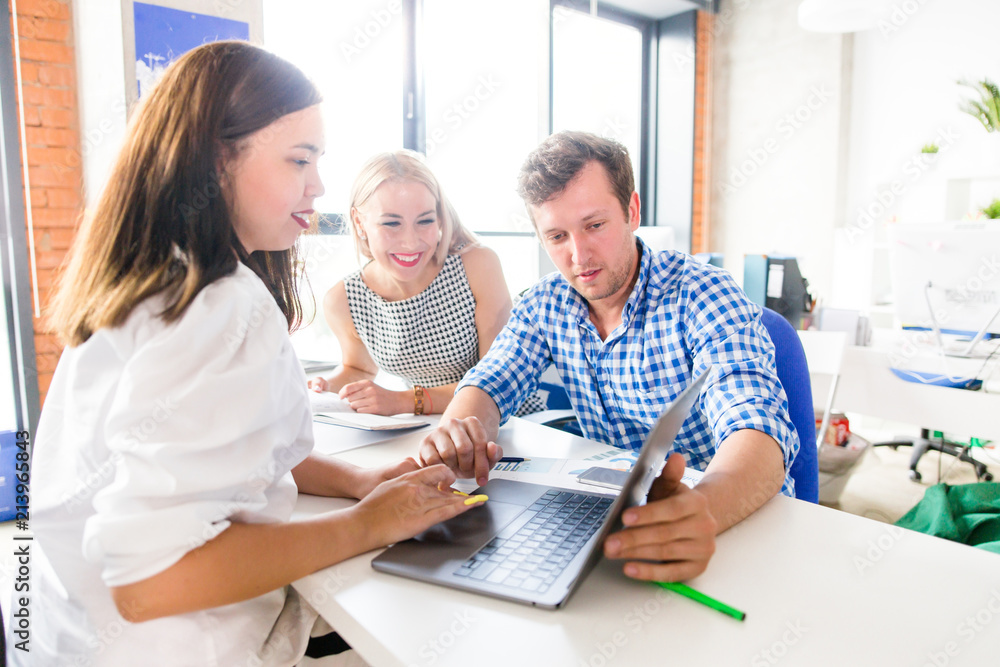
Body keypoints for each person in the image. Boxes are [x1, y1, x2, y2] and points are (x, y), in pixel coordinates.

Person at [17, 42, 481, 666]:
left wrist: (361, 482)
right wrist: (366, 525)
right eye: (299, 159)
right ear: (217, 160)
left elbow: (237, 450)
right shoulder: (220, 305)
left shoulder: (149, 277)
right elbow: (147, 580)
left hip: (62, 636)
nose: (317, 183)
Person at [419, 131, 799, 583]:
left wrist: (701, 510)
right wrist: (460, 431)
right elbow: (491, 380)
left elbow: (755, 426)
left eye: (594, 225)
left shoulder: (702, 293)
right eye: (557, 236)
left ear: (632, 211)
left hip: (727, 518)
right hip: (620, 519)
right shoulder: (544, 303)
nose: (578, 256)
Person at [308, 150, 544, 416]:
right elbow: (358, 368)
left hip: (512, 424)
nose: (410, 242)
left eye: (425, 221)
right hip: (430, 429)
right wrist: (329, 385)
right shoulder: (344, 299)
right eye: (391, 223)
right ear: (360, 222)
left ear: (440, 217)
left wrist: (404, 401)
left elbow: (497, 381)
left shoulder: (477, 266)